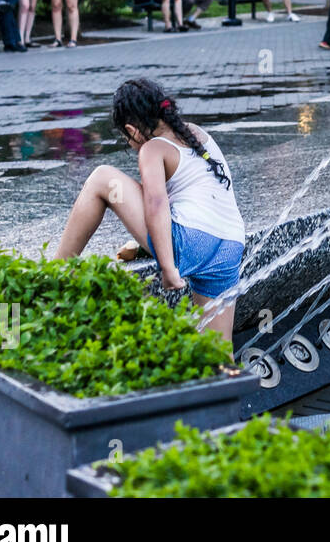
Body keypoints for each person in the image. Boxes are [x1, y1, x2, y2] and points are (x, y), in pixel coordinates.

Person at [55, 79, 245, 351]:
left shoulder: (151, 149)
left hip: (189, 243)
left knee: (101, 178)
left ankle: (56, 271)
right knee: (216, 352)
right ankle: (227, 390)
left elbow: (156, 205)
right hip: (229, 246)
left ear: (132, 130)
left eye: (125, 137)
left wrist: (168, 268)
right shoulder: (196, 133)